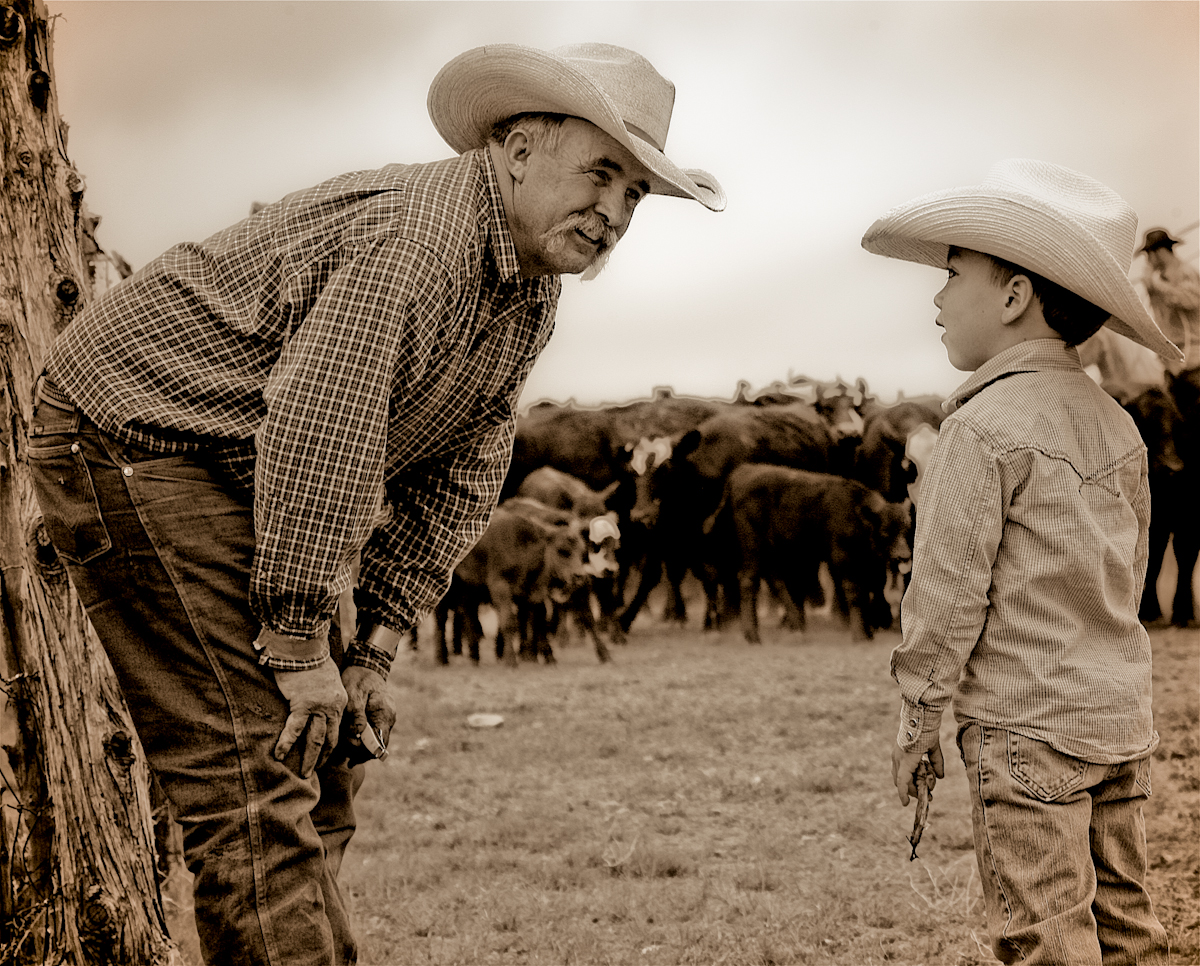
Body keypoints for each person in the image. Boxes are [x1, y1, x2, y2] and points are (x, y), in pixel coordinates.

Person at [25, 43, 724, 966]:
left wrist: (376, 644)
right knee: (258, 768)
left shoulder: (528, 289)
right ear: (517, 148)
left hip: (247, 464)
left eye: (635, 194)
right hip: (135, 437)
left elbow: (470, 462)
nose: (615, 212)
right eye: (601, 173)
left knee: (328, 753)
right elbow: (324, 428)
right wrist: (300, 640)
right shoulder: (419, 243)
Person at [861, 159, 1181, 965]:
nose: (938, 298)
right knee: (1129, 935)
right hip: (1117, 725)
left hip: (1025, 732)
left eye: (952, 272)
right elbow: (1129, 578)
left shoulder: (978, 431)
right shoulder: (1119, 427)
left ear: (1012, 297)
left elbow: (945, 596)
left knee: (1046, 942)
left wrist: (917, 720)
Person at [1139, 226, 1200, 373]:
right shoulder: (1160, 277)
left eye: (1149, 254)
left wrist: (1158, 285)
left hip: (1194, 356)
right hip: (1175, 362)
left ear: (1158, 252)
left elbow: (1191, 300)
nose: (1147, 259)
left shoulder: (1184, 272)